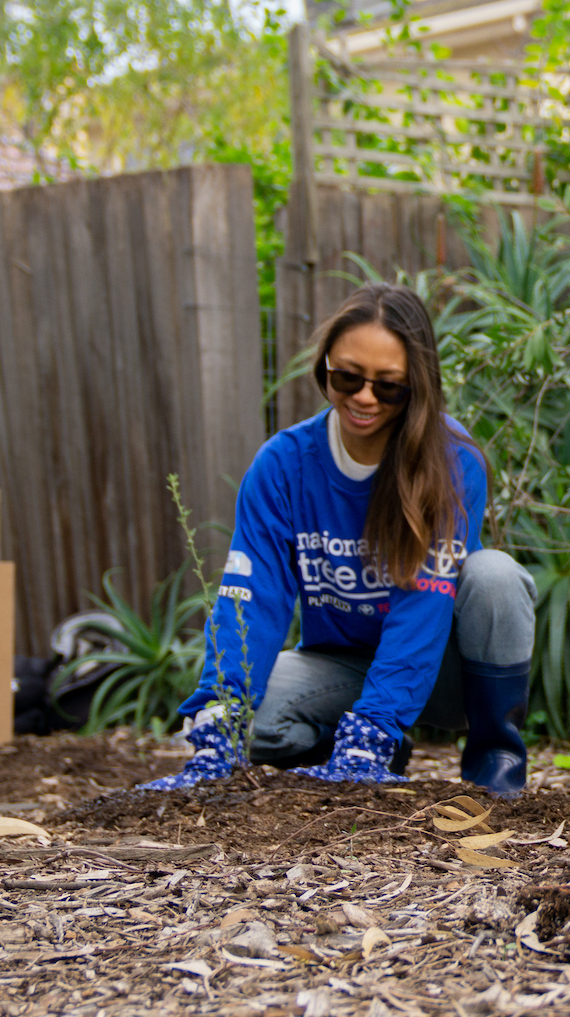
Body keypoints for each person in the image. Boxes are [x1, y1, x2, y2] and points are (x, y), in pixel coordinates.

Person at [141, 282, 539, 794]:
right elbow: (251, 597)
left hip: (447, 670)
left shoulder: (453, 461)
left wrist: (378, 720)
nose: (364, 398)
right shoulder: (283, 464)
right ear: (325, 365)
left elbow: (423, 606)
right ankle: (362, 753)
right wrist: (223, 714)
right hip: (342, 663)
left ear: (417, 384)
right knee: (255, 724)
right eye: (347, 377)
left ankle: (493, 766)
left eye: (388, 386)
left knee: (495, 576)